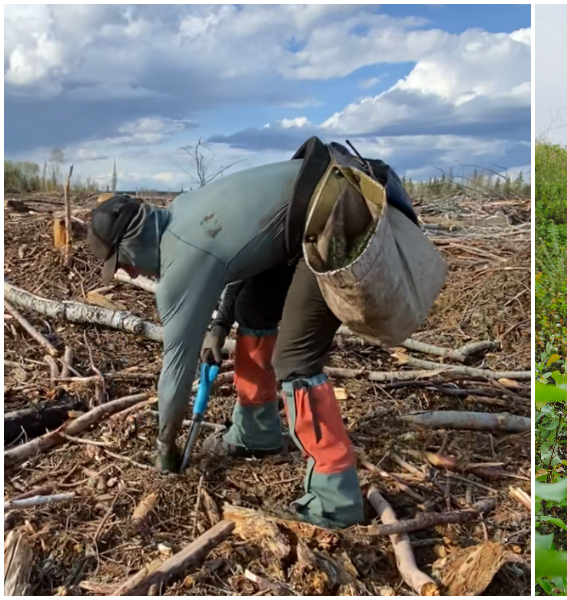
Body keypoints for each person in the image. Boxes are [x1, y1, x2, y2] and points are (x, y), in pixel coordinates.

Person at [87, 137, 416, 528]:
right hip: (314, 211)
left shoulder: (181, 259)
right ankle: (257, 434)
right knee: (254, 309)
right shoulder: (182, 211)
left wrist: (166, 448)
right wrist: (220, 325)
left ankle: (335, 502)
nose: (133, 273)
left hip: (340, 219)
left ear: (132, 243)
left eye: (123, 263)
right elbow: (238, 256)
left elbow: (175, 373)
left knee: (295, 359)